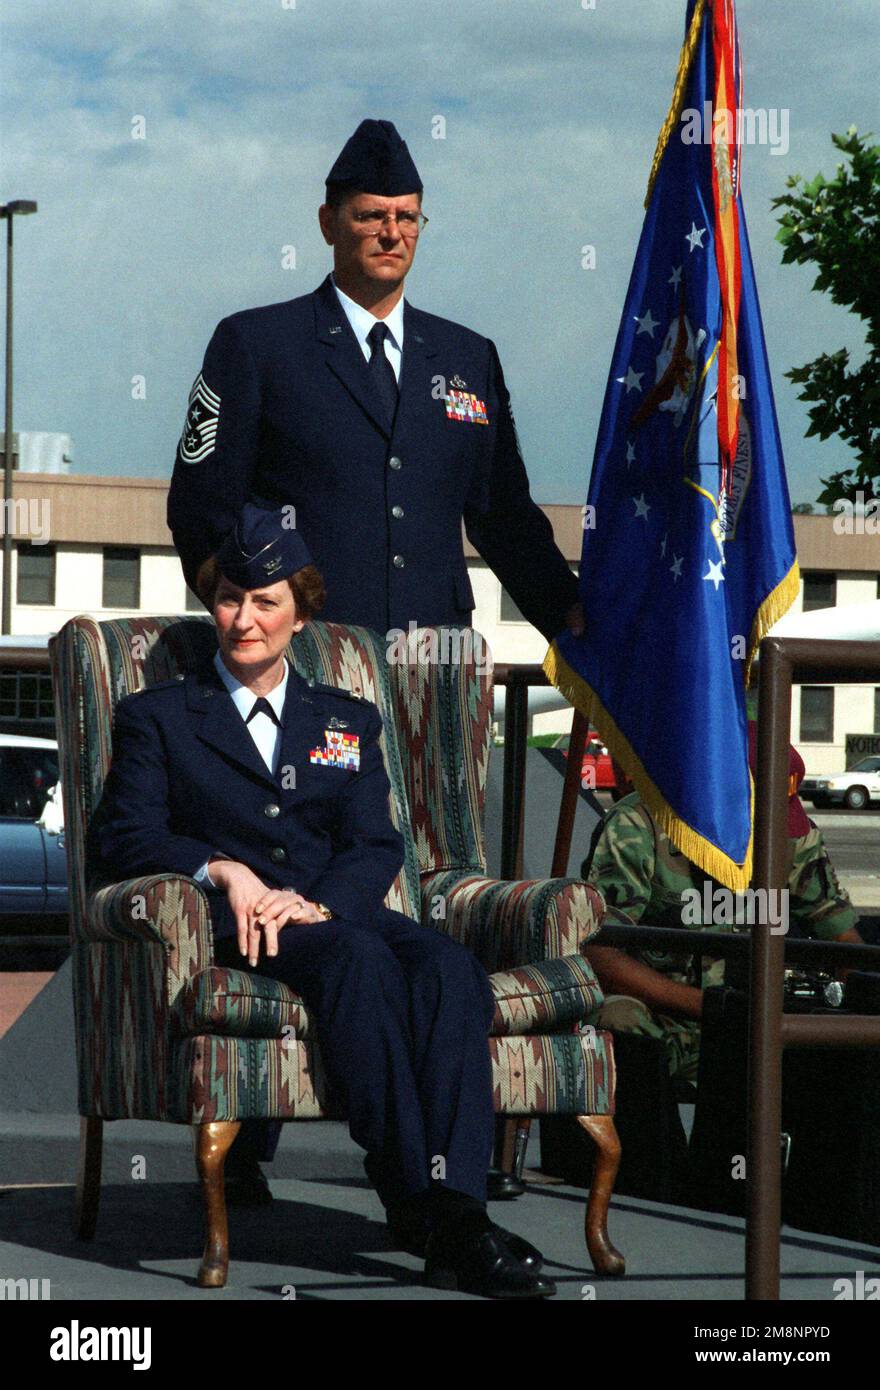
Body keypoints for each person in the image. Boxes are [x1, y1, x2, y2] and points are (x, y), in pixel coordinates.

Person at [87, 504, 554, 1298]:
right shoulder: (157, 717)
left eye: (266, 601)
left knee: (445, 966)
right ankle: (420, 1201)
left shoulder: (345, 719)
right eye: (231, 597)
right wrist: (222, 870)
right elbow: (122, 837)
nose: (244, 619)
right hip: (237, 924)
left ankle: (456, 1206)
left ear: (301, 614)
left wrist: (323, 904)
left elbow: (375, 843)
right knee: (361, 961)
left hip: (333, 911)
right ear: (214, 603)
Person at [166, 118, 583, 646]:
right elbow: (202, 510)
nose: (392, 232)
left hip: (433, 664)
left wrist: (566, 610)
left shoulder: (468, 358)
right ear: (327, 223)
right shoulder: (257, 345)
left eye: (407, 217)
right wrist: (253, 624)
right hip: (305, 658)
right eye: (371, 216)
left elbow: (503, 516)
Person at [580, 724, 862, 1084]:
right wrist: (709, 1007)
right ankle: (652, 1143)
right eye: (756, 815)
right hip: (666, 1021)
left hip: (763, 1026)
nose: (769, 834)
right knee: (617, 1021)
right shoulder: (637, 826)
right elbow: (599, 954)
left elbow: (843, 938)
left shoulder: (795, 837)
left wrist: (858, 996)